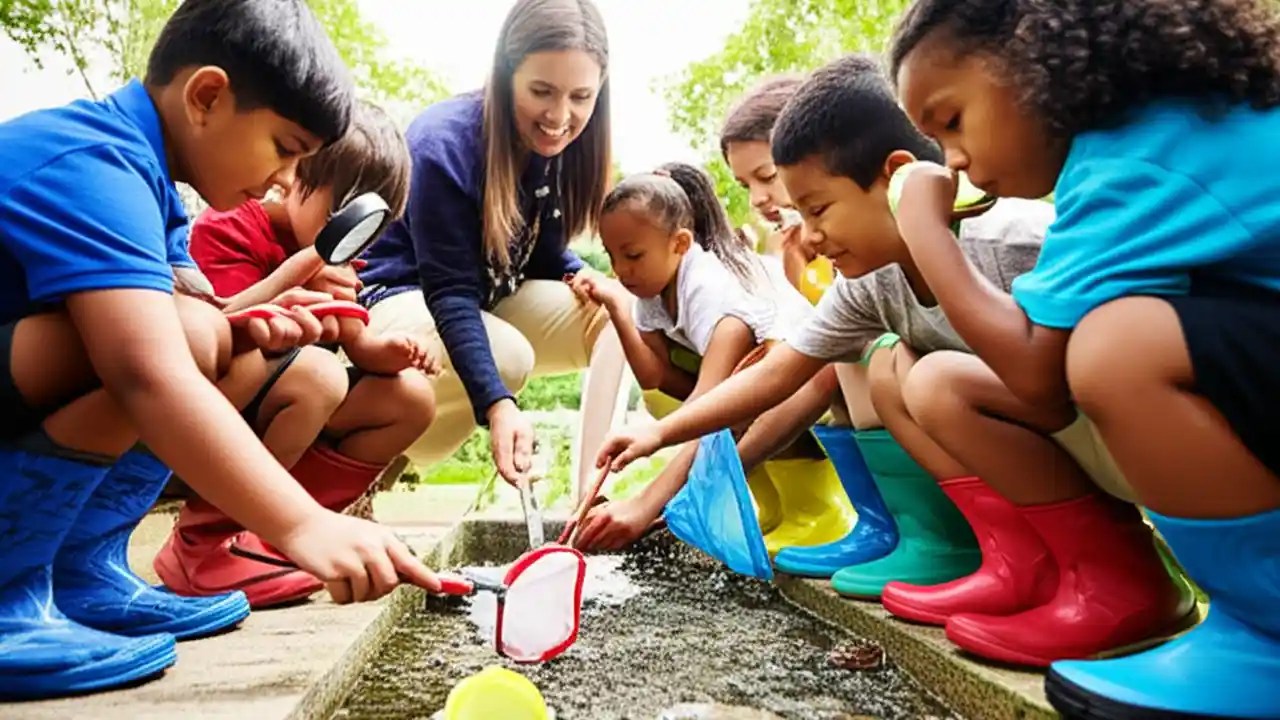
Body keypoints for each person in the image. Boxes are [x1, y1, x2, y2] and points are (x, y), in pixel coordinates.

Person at [0, 0, 439, 699]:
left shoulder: (157, 189)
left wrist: (243, 322)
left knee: (209, 333)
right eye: (286, 148)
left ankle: (81, 569)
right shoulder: (95, 164)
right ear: (207, 96)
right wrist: (302, 525)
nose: (283, 177)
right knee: (182, 338)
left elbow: (193, 327)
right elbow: (148, 370)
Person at [888, 0, 1280, 711]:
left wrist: (925, 233)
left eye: (951, 120)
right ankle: (1108, 583)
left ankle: (1268, 634)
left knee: (1118, 349)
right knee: (976, 373)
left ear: (1037, 59)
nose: (954, 160)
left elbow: (1038, 376)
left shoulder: (1141, 153)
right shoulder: (1150, 134)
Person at [593, 55, 1056, 599]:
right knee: (887, 371)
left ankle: (1073, 559)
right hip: (1024, 438)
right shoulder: (866, 284)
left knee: (917, 377)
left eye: (817, 209)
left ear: (895, 176)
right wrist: (656, 434)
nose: (807, 236)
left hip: (1092, 430)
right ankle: (980, 549)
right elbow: (781, 372)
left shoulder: (1017, 245)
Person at [154, 101, 439, 609]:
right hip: (202, 421)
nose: (350, 237)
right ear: (294, 175)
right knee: (319, 376)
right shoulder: (231, 225)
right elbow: (217, 336)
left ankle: (283, 535)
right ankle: (204, 540)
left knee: (411, 399)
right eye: (340, 215)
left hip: (287, 416)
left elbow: (355, 342)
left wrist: (386, 352)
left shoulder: (342, 256)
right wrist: (299, 269)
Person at [358, 0, 620, 487]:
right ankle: (364, 466)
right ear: (505, 73)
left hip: (485, 299)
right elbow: (450, 291)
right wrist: (498, 405)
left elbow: (537, 256)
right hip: (394, 300)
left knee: (618, 311)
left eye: (581, 96)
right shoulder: (444, 143)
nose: (560, 115)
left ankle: (591, 496)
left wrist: (578, 271)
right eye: (541, 90)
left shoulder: (559, 151)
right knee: (508, 359)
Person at [567, 161, 827, 551]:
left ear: (680, 243)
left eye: (633, 255)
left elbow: (711, 410)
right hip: (760, 387)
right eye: (612, 257)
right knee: (668, 401)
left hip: (807, 385)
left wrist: (645, 503)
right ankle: (762, 507)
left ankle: (811, 509)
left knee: (714, 416)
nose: (621, 270)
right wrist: (619, 308)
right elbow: (656, 379)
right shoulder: (655, 285)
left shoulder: (714, 293)